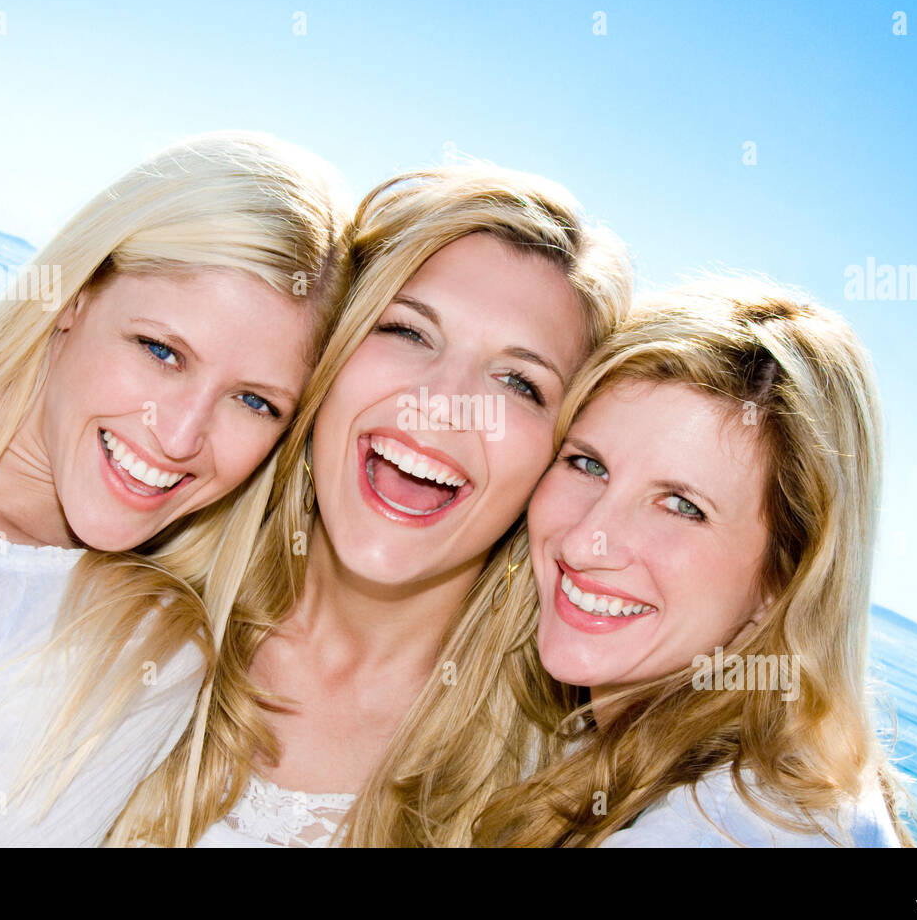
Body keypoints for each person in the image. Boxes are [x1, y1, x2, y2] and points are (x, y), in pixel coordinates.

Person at [0, 131, 349, 846]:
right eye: (162, 351)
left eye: (254, 401)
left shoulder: (125, 653)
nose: (180, 434)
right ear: (74, 296)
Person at [109, 163, 634, 847]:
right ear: (328, 355)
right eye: (407, 331)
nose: (442, 401)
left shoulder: (568, 787)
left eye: (518, 382)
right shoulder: (120, 600)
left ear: (561, 456)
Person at [472, 276, 917, 847]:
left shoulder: (724, 828)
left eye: (683, 506)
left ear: (783, 580)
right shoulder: (761, 770)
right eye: (588, 465)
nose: (588, 542)